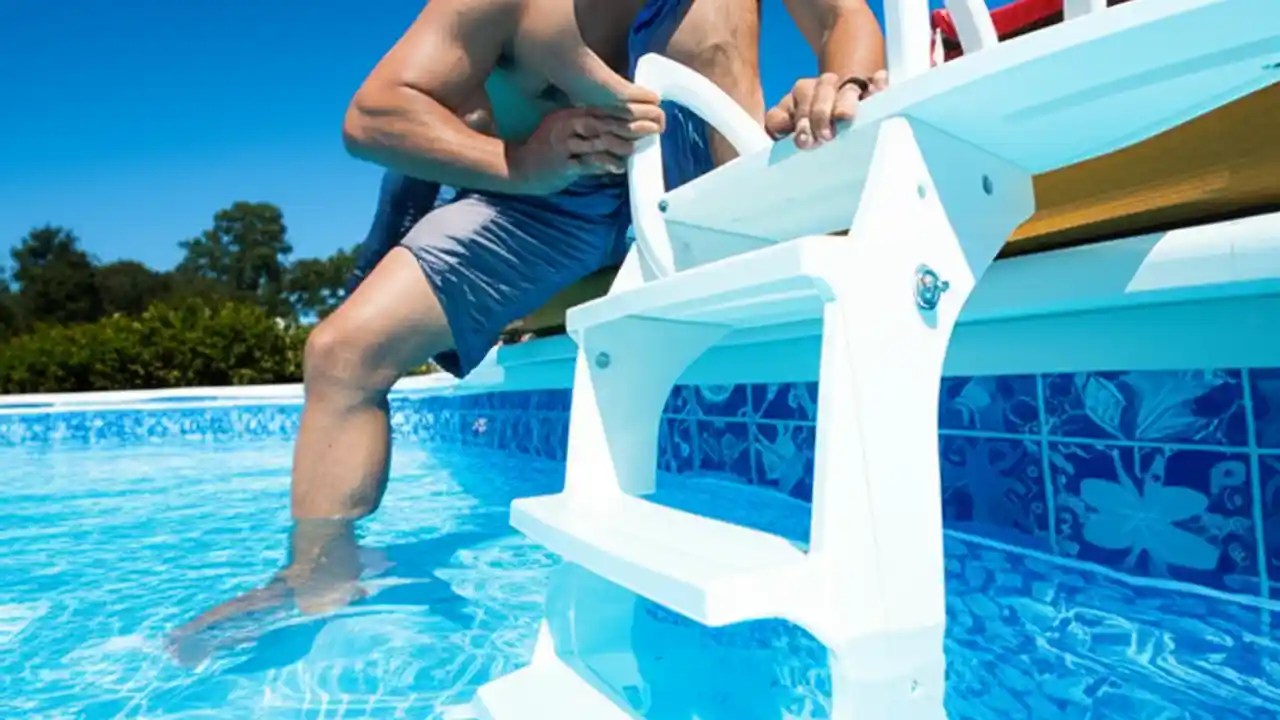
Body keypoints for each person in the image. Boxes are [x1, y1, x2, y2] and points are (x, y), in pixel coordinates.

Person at [169, 0, 887, 662]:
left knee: (717, 33)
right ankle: (314, 576)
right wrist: (518, 163)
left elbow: (842, 21)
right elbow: (373, 116)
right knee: (342, 352)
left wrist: (841, 83)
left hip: (698, 182)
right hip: (550, 196)